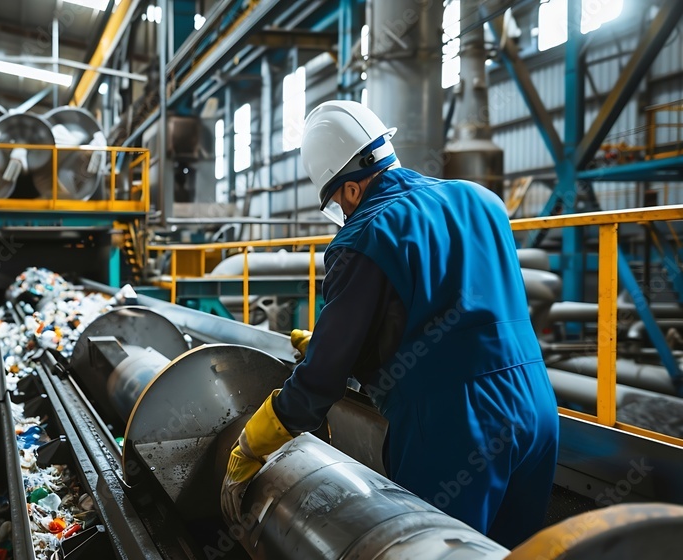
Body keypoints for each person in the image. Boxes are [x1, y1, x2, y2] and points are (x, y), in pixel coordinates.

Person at [220, 100, 559, 548]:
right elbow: (434, 309)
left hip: (455, 426)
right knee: (515, 552)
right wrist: (334, 345)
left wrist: (255, 440)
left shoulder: (365, 236)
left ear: (352, 189)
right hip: (537, 407)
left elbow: (320, 384)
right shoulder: (482, 201)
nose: (343, 212)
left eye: (339, 201)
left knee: (437, 552)